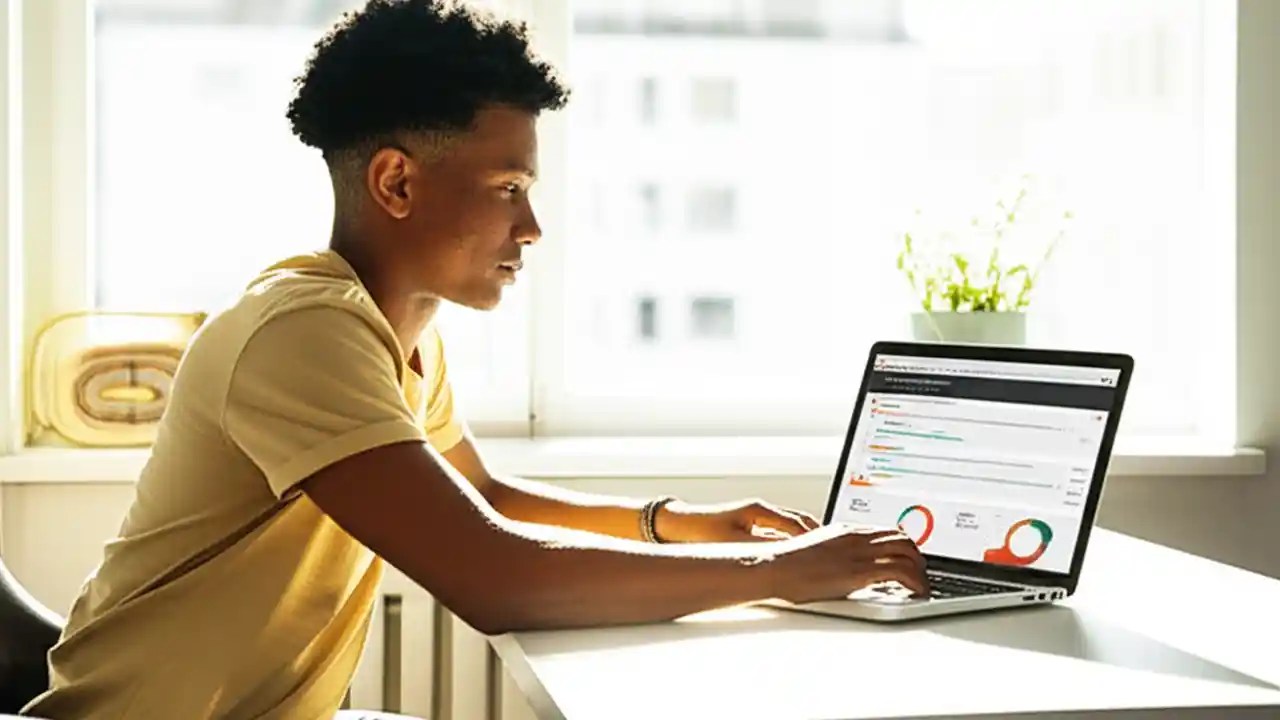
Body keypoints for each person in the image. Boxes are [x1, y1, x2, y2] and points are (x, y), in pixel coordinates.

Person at [23, 1, 928, 718]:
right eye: (508, 190)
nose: (530, 228)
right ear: (396, 181)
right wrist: (791, 571)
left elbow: (484, 501)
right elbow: (498, 576)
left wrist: (684, 521)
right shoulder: (303, 332)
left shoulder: (395, 334)